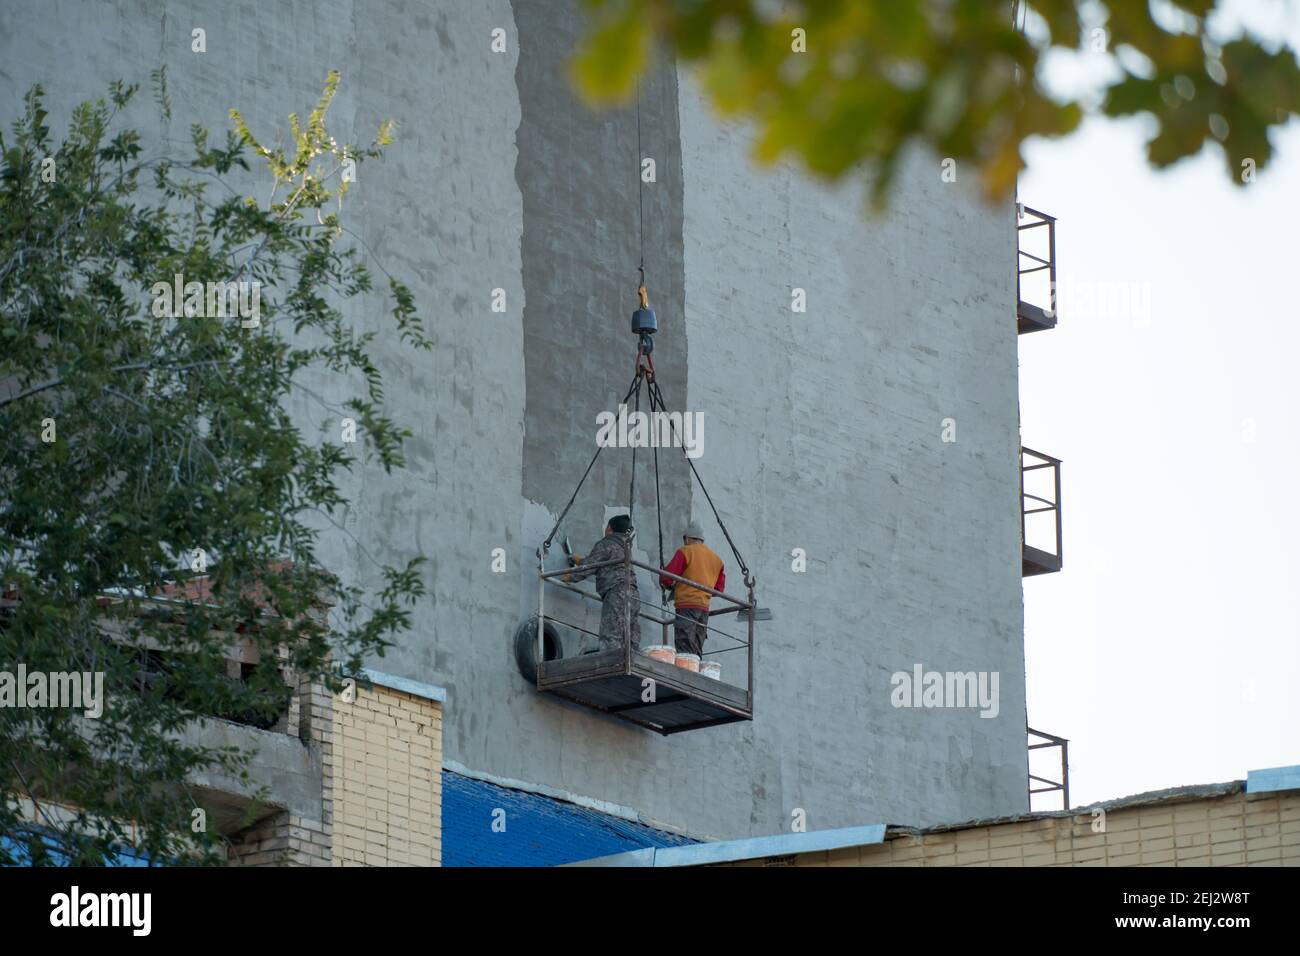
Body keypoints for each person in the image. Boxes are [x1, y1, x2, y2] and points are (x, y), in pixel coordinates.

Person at [566, 514, 641, 651]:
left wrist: (570, 577)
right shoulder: (625, 547)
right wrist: (580, 561)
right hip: (634, 595)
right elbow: (603, 563)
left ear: (609, 528)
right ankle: (632, 664)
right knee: (630, 635)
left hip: (617, 593)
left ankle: (611, 665)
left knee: (611, 633)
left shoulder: (606, 543)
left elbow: (591, 566)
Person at [659, 521, 725, 658]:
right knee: (696, 646)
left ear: (687, 538)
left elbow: (667, 578)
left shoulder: (685, 551)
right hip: (704, 609)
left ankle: (684, 673)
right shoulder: (716, 559)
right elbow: (719, 588)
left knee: (684, 645)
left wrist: (664, 577)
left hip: (686, 606)